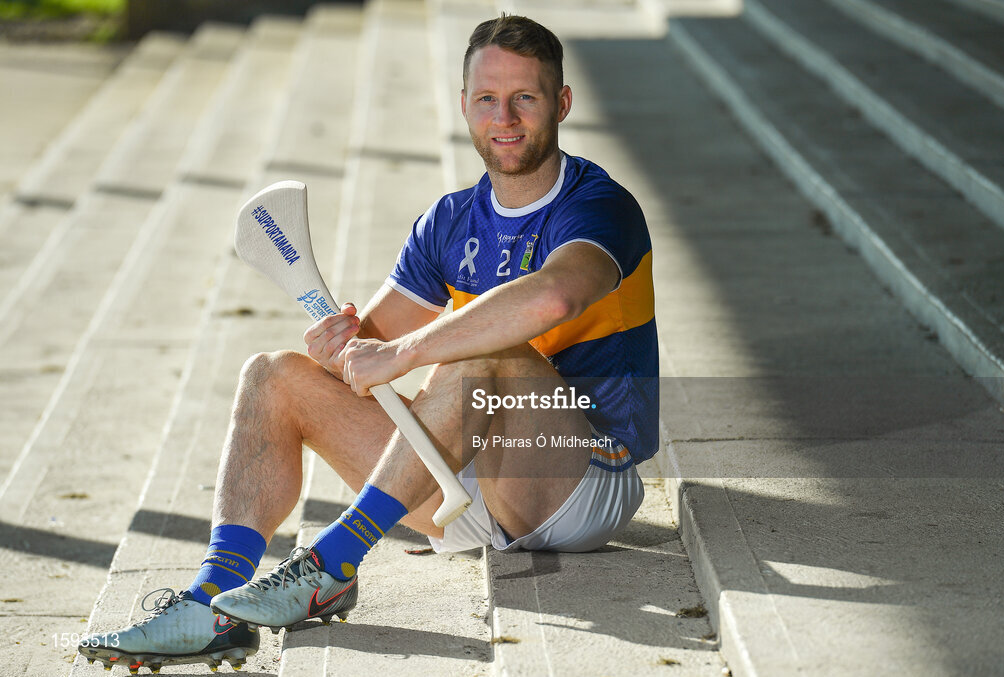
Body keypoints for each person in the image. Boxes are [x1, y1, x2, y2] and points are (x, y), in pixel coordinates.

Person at [78, 13, 658, 673]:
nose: (505, 116)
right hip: (467, 487)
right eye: (487, 98)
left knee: (477, 355)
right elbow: (372, 346)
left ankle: (334, 560)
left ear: (561, 104)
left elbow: (557, 295)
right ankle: (212, 604)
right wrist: (342, 346)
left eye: (525, 97)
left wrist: (408, 354)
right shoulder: (448, 221)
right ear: (464, 104)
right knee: (274, 375)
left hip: (581, 479)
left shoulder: (598, 204)